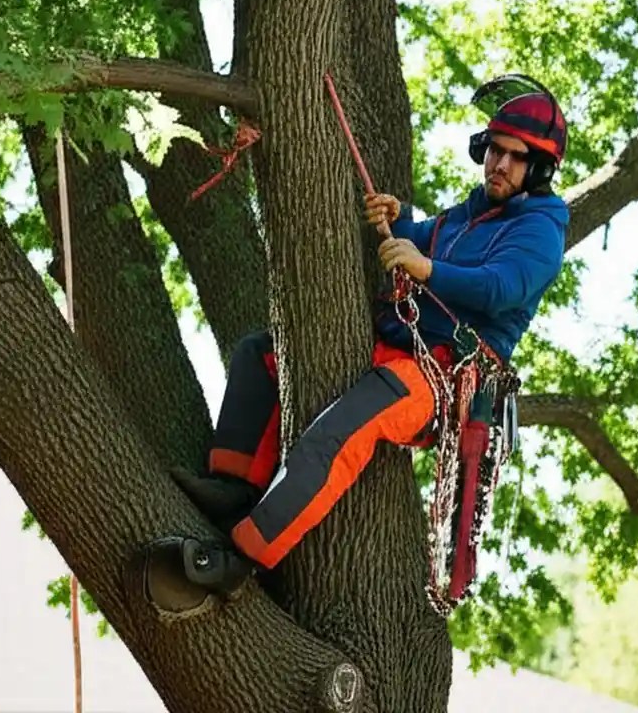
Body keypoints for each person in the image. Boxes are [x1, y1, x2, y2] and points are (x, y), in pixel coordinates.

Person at [169, 75, 571, 595]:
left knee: (339, 431)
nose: (499, 163)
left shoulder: (541, 229)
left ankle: (242, 558)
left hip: (441, 374)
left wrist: (426, 268)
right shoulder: (468, 215)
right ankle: (233, 483)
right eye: (494, 150)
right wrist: (398, 219)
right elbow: (418, 241)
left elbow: (500, 287)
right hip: (398, 345)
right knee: (259, 354)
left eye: (515, 157)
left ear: (538, 169)